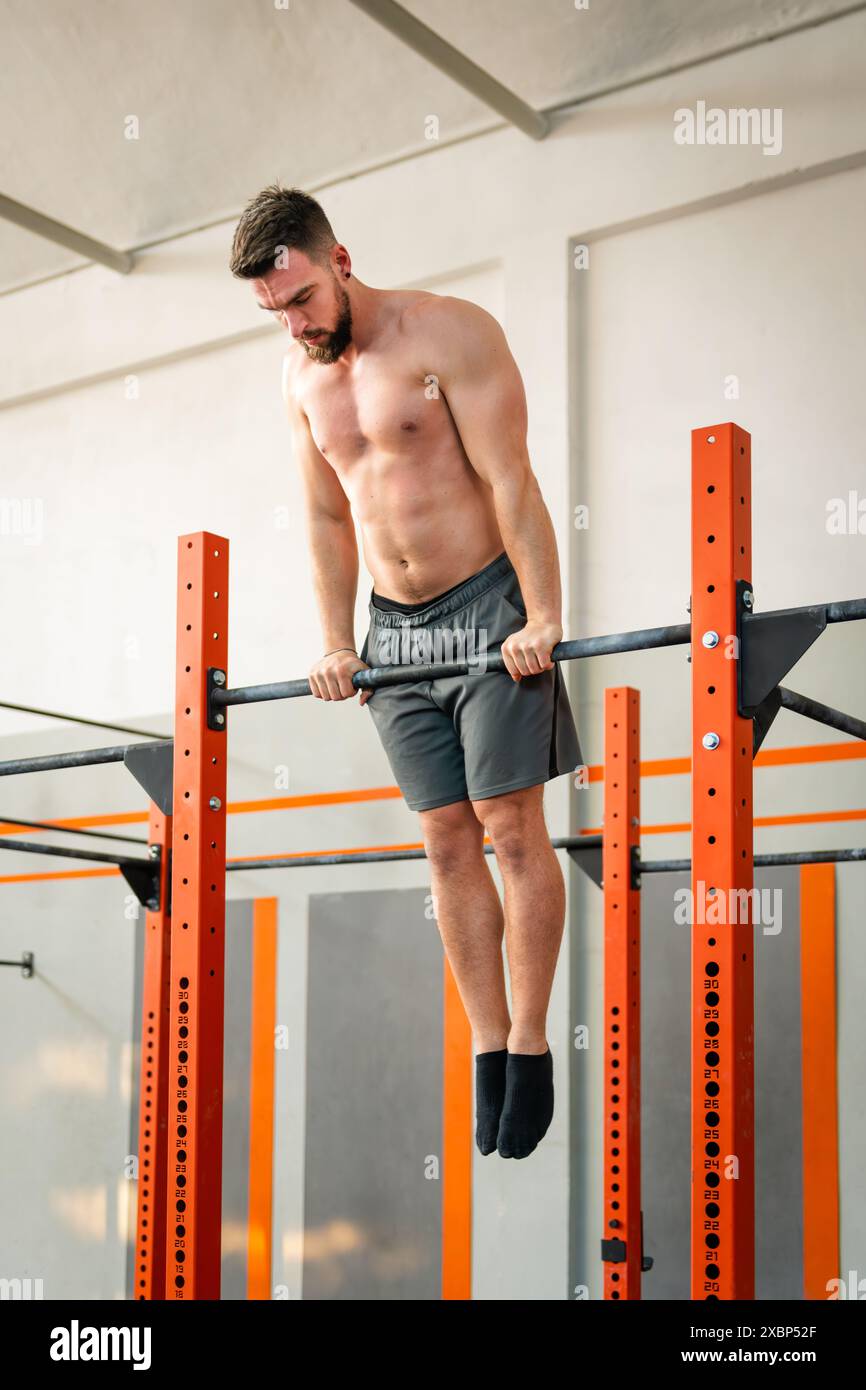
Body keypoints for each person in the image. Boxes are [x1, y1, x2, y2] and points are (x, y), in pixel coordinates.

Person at [230, 185, 582, 1159]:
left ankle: (528, 1041)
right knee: (442, 840)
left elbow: (511, 479)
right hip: (394, 632)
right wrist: (335, 639)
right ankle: (483, 1044)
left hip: (484, 610)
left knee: (510, 828)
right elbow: (328, 517)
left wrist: (542, 615)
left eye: (299, 299)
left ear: (338, 258)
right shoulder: (300, 382)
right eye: (272, 310)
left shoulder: (448, 335)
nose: (292, 324)